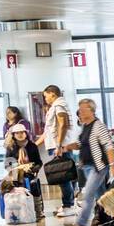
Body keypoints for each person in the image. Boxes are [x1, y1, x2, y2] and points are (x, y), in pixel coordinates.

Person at [61, 98, 114, 226]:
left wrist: (112, 166)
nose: (79, 112)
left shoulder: (98, 126)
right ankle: (112, 219)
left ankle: (81, 223)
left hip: (98, 167)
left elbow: (109, 146)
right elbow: (82, 145)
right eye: (79, 109)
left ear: (91, 110)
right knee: (102, 196)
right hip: (86, 166)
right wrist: (69, 147)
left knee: (88, 194)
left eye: (82, 109)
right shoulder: (85, 126)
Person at [35, 84, 76, 216]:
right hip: (59, 146)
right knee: (65, 175)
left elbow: (63, 124)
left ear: (52, 94)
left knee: (62, 176)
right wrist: (33, 145)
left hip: (61, 147)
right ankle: (70, 203)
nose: (45, 99)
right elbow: (47, 132)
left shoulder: (58, 105)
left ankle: (69, 205)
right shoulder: (56, 106)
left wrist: (58, 145)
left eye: (46, 96)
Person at [4, 123, 44, 220]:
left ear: (26, 133)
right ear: (14, 135)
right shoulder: (11, 147)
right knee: (9, 186)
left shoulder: (32, 146)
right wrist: (16, 167)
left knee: (33, 185)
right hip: (15, 174)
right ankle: (16, 212)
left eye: (22, 132)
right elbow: (7, 163)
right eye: (17, 133)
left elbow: (38, 162)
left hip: (30, 173)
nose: (20, 135)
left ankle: (38, 211)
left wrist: (33, 168)